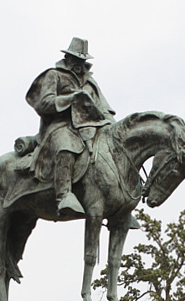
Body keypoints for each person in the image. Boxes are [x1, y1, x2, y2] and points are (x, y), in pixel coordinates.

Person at [26, 37, 116, 218]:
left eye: (82, 60)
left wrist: (114, 129)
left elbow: (105, 110)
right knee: (66, 146)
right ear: (67, 58)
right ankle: (63, 195)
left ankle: (119, 201)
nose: (78, 63)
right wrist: (71, 98)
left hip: (91, 128)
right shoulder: (54, 75)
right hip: (60, 126)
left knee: (112, 151)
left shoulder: (91, 82)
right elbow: (44, 103)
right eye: (75, 59)